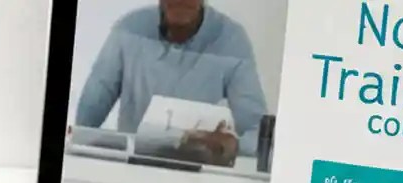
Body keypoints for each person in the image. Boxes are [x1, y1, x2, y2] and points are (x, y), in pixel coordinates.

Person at [76, 0, 268, 167]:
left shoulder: (232, 41)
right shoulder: (128, 30)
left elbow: (260, 134)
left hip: (195, 180)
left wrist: (234, 145)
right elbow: (87, 116)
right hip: (130, 171)